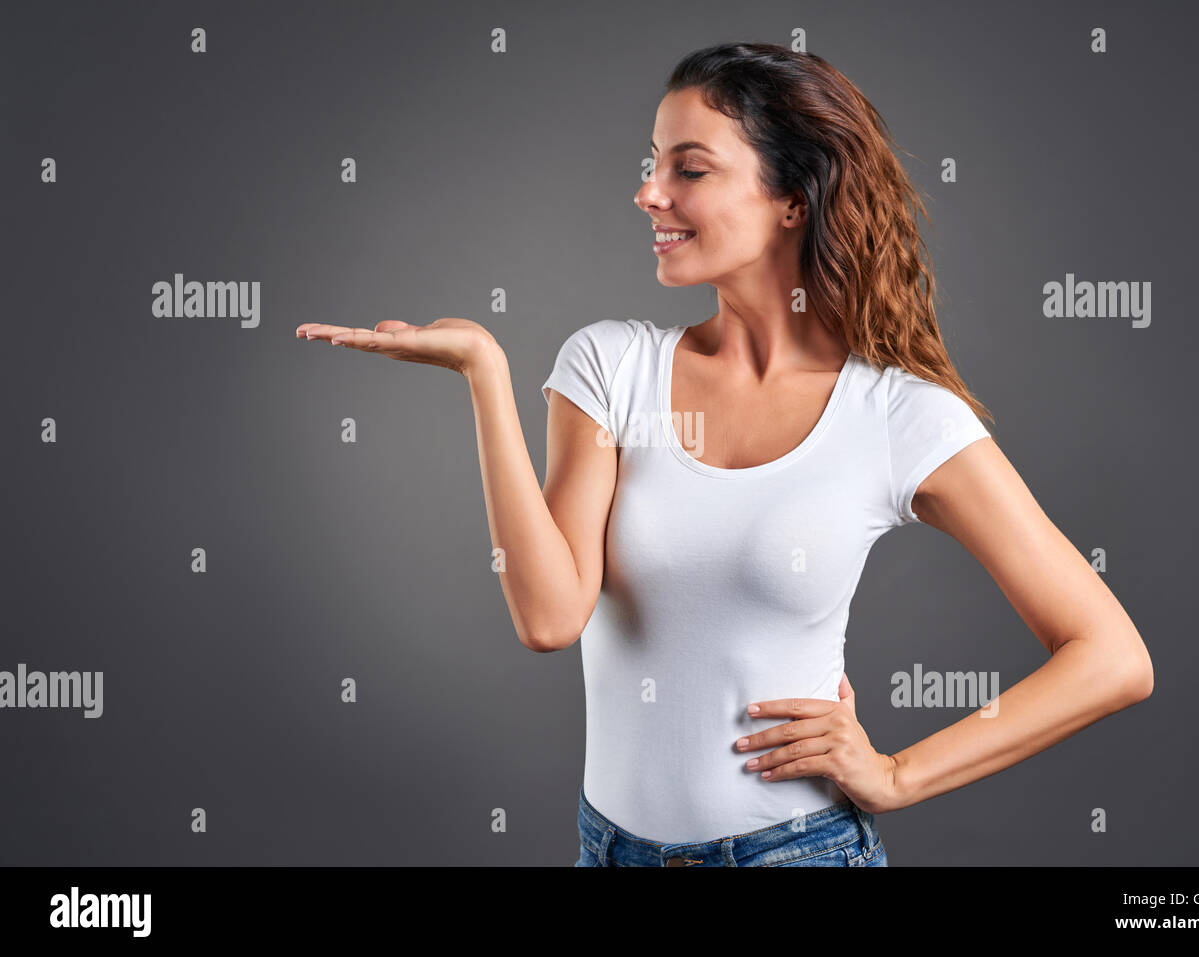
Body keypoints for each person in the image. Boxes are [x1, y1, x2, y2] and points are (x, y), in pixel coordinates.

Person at [296, 42, 1153, 867]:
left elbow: (1111, 657)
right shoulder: (610, 365)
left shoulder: (896, 413)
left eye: (689, 169)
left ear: (791, 198)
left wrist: (896, 775)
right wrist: (484, 369)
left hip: (800, 853)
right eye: (652, 162)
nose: (648, 192)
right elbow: (549, 617)